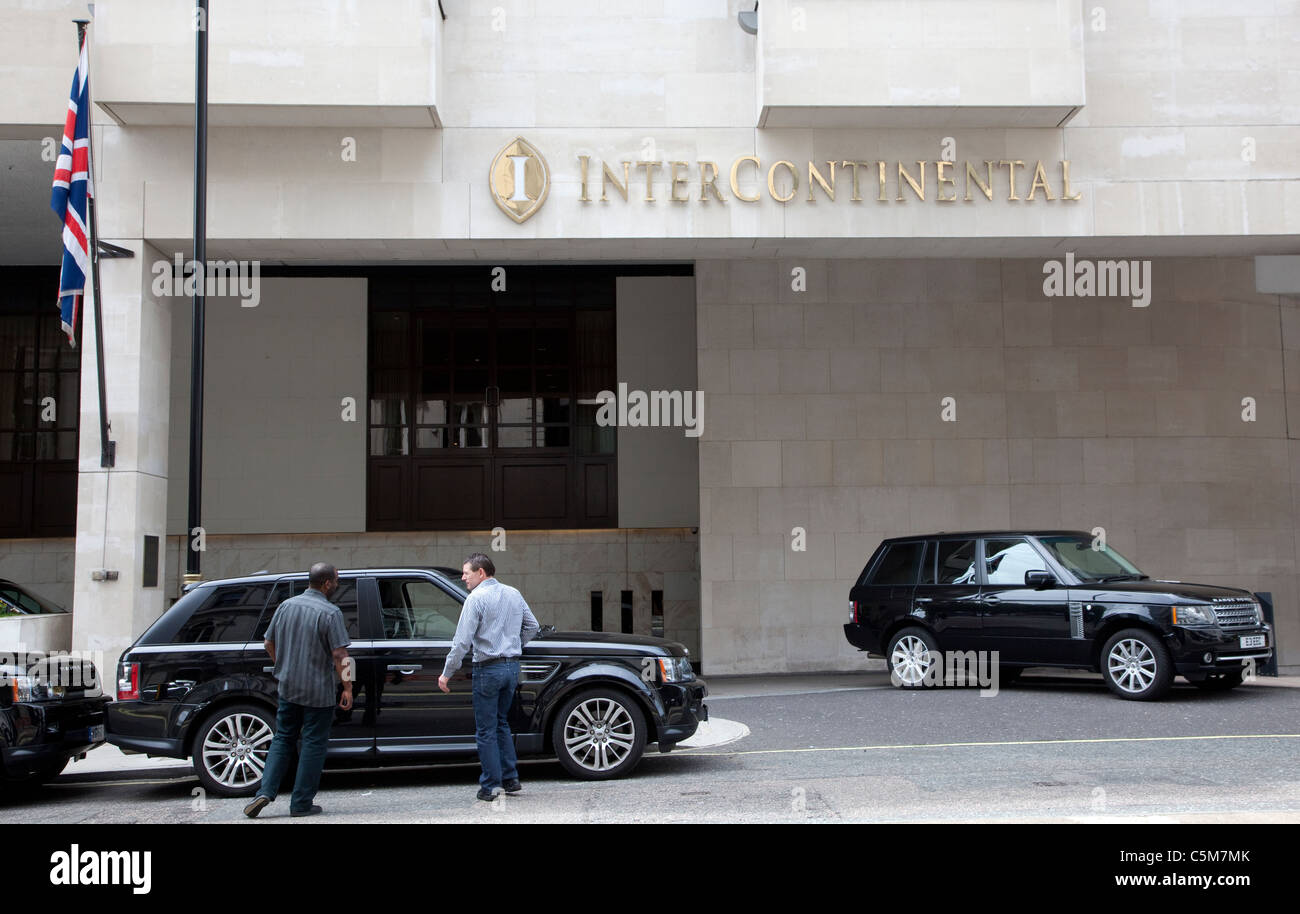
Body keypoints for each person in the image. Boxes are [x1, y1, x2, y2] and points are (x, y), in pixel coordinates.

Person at [244, 563, 352, 819]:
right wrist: (347, 686)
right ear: (326, 583)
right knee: (313, 743)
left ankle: (265, 791)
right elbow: (341, 654)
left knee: (283, 738)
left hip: (288, 687)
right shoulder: (330, 612)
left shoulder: (286, 606)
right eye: (336, 581)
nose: (337, 585)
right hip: (319, 690)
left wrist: (282, 664)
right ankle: (301, 803)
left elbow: (268, 642)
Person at [438, 553, 540, 801]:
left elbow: (461, 641)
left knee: (486, 730)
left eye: (466, 573)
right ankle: (510, 779)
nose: (463, 578)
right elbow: (533, 626)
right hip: (511, 668)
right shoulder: (514, 593)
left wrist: (446, 673)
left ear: (481, 573)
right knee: (501, 723)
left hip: (488, 669)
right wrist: (513, 646)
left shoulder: (476, 599)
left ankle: (491, 786)